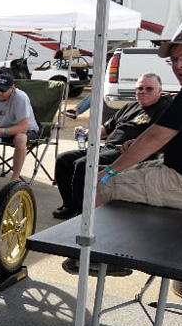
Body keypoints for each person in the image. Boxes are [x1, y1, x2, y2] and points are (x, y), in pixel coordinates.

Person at [96, 21, 182, 212]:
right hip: (177, 169)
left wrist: (109, 171)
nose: (179, 65)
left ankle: (94, 232)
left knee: (100, 184)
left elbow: (155, 137)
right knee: (124, 171)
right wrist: (136, 146)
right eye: (174, 59)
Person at [52, 72, 168, 219]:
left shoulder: (163, 110)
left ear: (159, 91)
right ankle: (70, 206)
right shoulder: (130, 106)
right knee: (63, 159)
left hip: (128, 153)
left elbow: (159, 138)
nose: (143, 92)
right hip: (107, 148)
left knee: (83, 164)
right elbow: (107, 128)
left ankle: (84, 214)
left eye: (149, 89)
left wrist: (137, 143)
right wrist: (87, 133)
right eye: (139, 88)